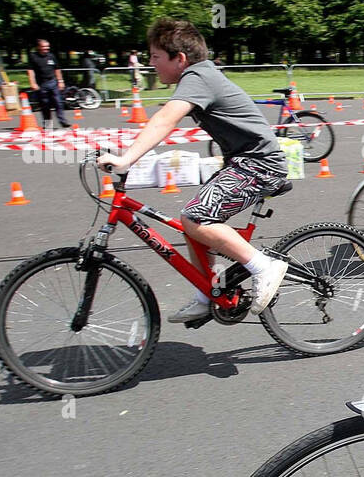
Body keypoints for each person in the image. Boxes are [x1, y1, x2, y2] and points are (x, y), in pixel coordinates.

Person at [96, 18, 289, 324]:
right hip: (244, 162)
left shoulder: (198, 76)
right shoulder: (200, 75)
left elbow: (166, 119)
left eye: (156, 57)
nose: (150, 64)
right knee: (193, 221)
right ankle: (206, 293)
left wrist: (127, 158)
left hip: (260, 164)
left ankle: (264, 266)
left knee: (196, 217)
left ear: (180, 59)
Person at [26, 39, 70, 129]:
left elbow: (57, 69)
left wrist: (60, 81)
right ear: (38, 47)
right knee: (45, 104)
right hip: (42, 83)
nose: (46, 49)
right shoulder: (33, 56)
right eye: (44, 47)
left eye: (47, 47)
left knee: (58, 102)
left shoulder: (51, 56)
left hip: (53, 82)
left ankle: (63, 121)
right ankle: (48, 124)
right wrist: (33, 83)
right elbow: (30, 71)